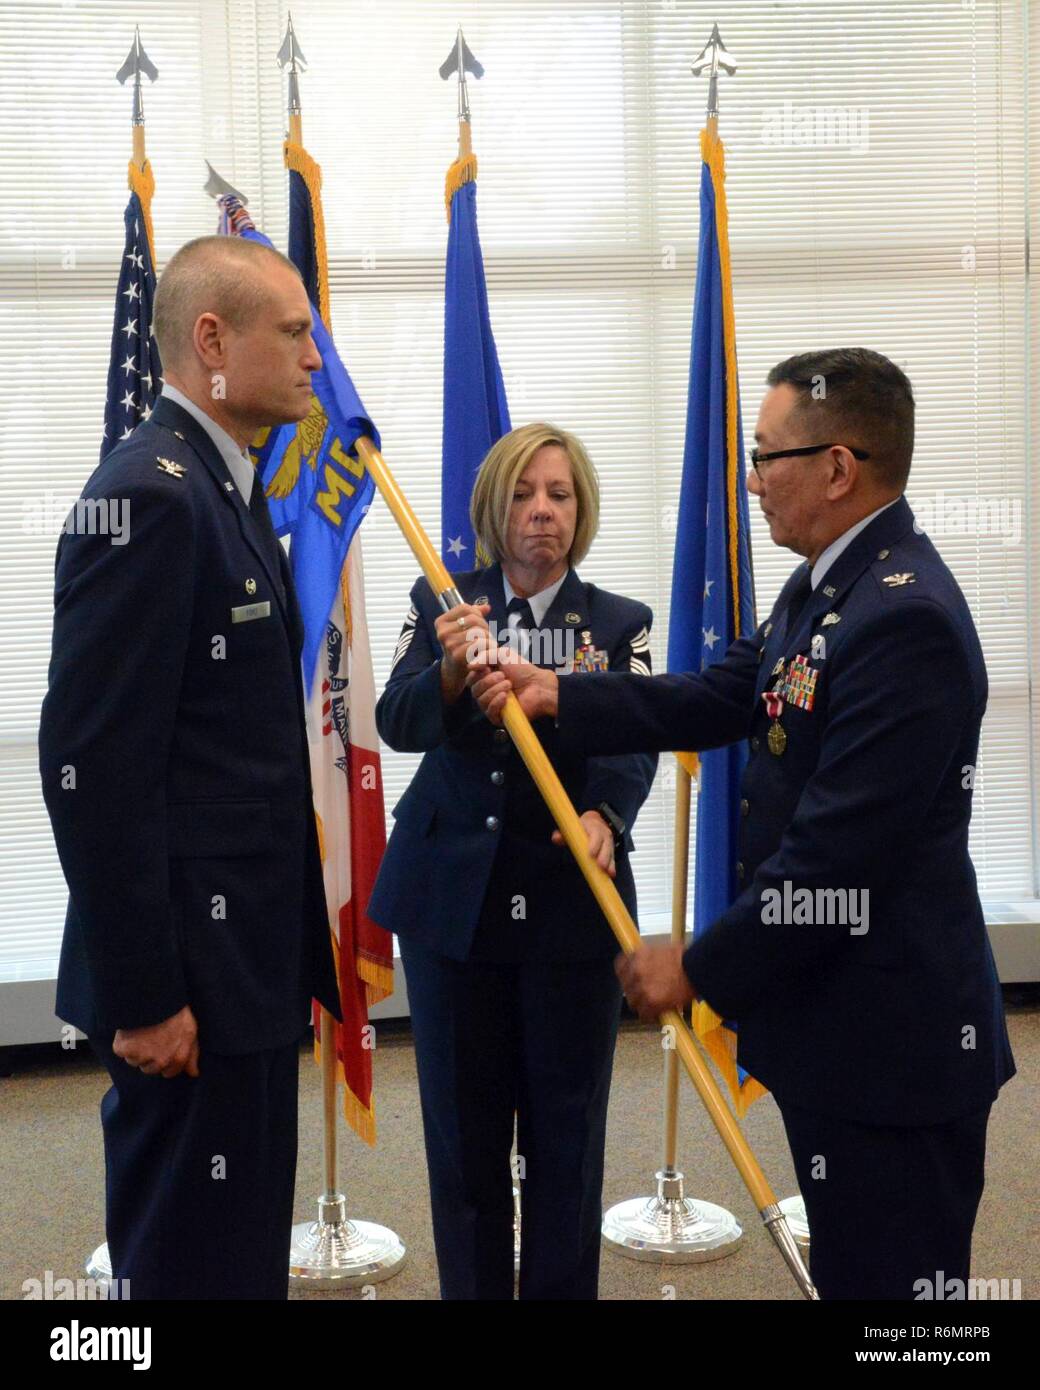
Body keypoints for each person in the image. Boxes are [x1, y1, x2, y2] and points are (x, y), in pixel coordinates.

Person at [470, 350, 1016, 1301]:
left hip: (895, 1044)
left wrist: (697, 964)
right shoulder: (826, 585)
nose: (752, 482)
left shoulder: (904, 619)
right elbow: (729, 692)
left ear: (839, 468)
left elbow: (837, 856)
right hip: (838, 1027)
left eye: (766, 458)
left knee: (903, 1298)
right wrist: (559, 690)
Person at [38, 235, 341, 1300]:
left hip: (241, 967)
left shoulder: (224, 485)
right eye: (295, 331)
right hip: (188, 986)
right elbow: (91, 762)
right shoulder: (158, 496)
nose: (317, 356)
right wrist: (145, 993)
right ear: (211, 340)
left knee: (237, 1254)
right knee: (188, 1266)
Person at [367, 422, 657, 1299]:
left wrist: (608, 810)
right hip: (454, 908)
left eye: (560, 496)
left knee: (567, 1139)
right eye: (526, 495)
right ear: (496, 507)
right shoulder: (443, 603)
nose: (542, 513)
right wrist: (451, 675)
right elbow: (396, 721)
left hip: (572, 912)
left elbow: (638, 732)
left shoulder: (617, 623)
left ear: (582, 510)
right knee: (465, 1142)